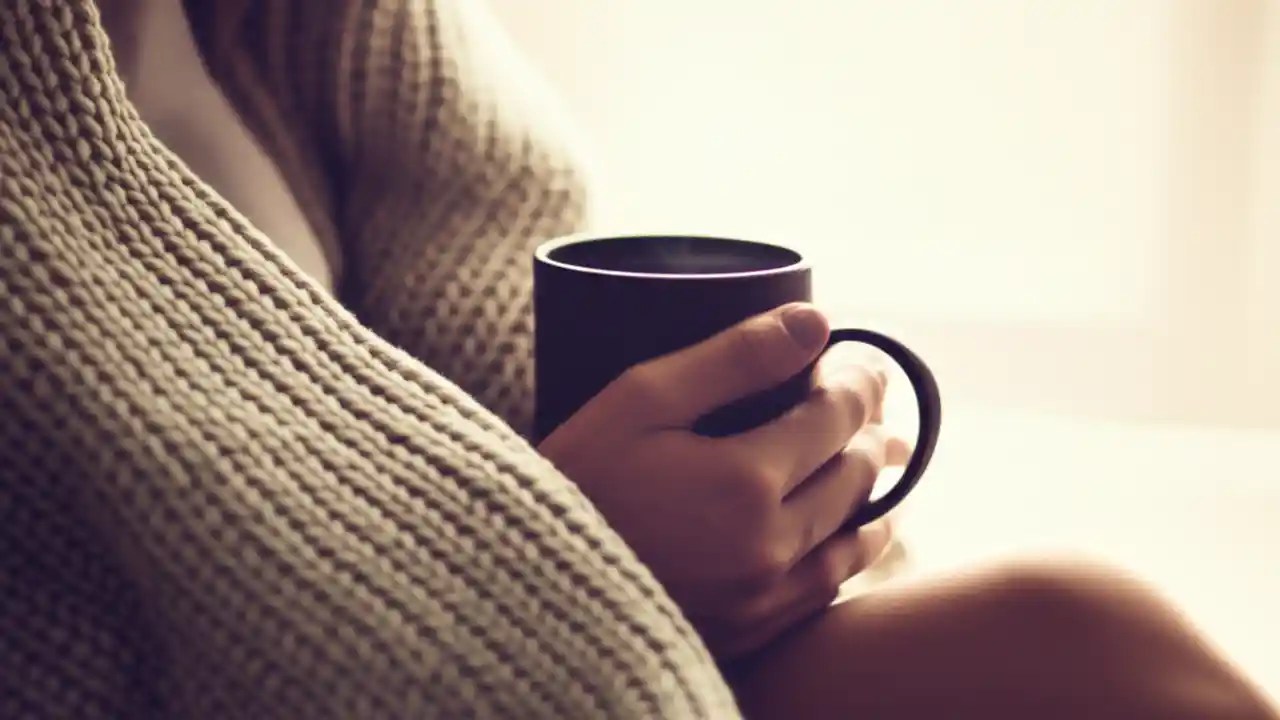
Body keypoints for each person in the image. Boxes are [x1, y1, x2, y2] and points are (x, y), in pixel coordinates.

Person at [0, 0, 1275, 717]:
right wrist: (564, 559)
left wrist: (762, 518)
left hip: (572, 629)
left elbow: (497, 301)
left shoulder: (308, 27)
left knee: (1078, 633)